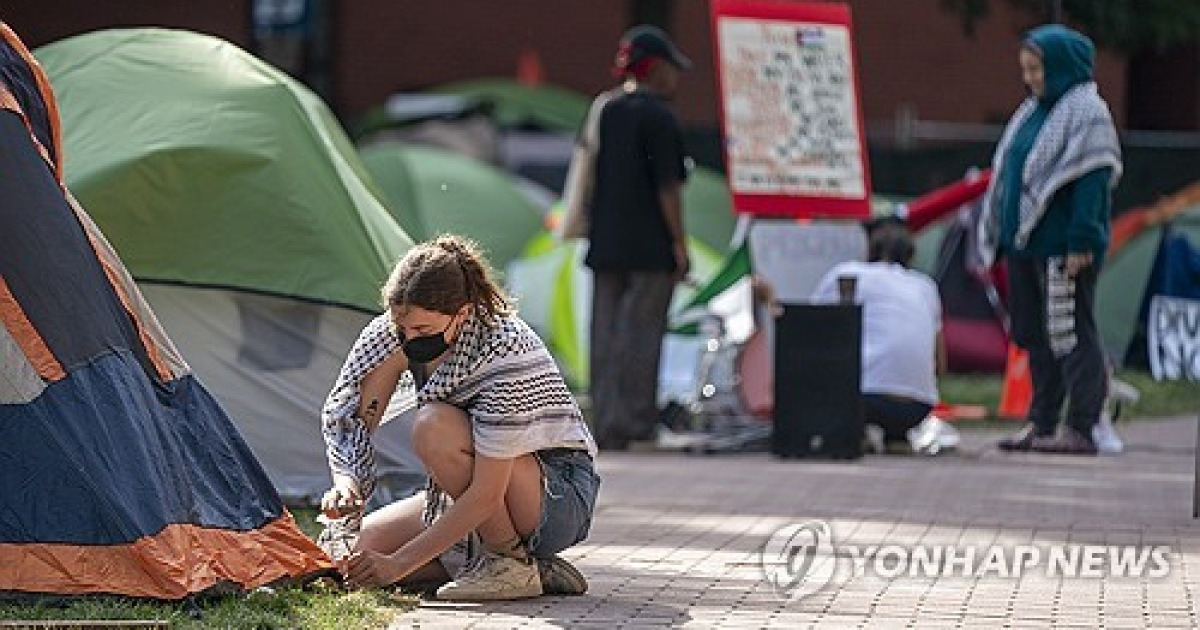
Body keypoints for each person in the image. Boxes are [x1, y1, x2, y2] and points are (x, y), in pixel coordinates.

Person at [319, 235, 600, 601]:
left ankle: (508, 561)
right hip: (470, 492)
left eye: (422, 331)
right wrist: (347, 485)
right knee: (354, 557)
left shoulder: (503, 346)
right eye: (402, 329)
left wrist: (399, 565)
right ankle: (536, 572)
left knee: (433, 426)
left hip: (555, 494)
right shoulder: (395, 330)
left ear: (463, 314)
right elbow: (351, 421)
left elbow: (487, 492)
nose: (409, 339)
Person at [978, 25, 1123, 455]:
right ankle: (1041, 421)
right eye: (1025, 69)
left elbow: (1094, 182)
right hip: (1026, 245)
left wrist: (1082, 241)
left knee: (1072, 333)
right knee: (1034, 335)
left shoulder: (1088, 112)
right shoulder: (1031, 112)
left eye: (1037, 68)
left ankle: (1082, 426)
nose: (1030, 78)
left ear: (1060, 65)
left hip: (1064, 248)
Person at [583, 25, 693, 450]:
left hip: (606, 241)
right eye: (672, 68)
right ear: (657, 69)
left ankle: (606, 422)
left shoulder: (607, 110)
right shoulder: (662, 117)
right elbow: (669, 187)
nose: (676, 77)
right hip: (650, 248)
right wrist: (679, 245)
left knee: (605, 334)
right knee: (641, 335)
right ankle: (637, 423)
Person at [811, 223, 945, 451]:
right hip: (919, 406)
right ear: (910, 256)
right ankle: (897, 436)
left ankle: (855, 432)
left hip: (863, 399)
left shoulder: (847, 274)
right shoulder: (925, 286)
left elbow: (811, 327)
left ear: (869, 250)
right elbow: (941, 362)